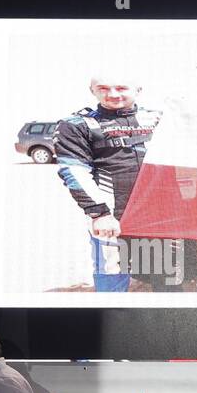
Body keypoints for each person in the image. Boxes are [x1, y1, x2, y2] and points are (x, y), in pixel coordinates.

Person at [54, 75, 172, 292]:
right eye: (103, 88)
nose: (113, 94)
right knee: (112, 273)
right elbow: (74, 171)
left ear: (138, 89)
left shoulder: (160, 119)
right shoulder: (76, 124)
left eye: (121, 88)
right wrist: (99, 214)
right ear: (92, 91)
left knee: (166, 272)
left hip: (160, 213)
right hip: (112, 215)